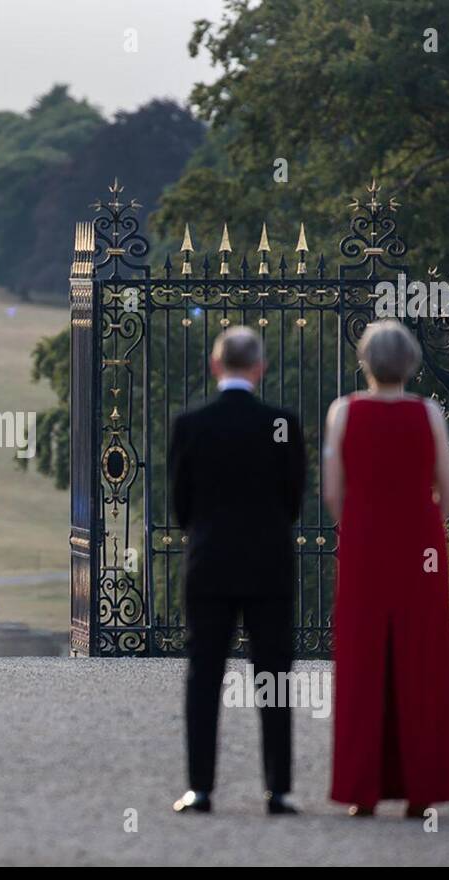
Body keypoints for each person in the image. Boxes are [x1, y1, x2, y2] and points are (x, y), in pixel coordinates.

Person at [323, 319, 449, 818]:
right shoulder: (429, 413)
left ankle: (363, 790)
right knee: (420, 661)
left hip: (364, 544)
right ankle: (422, 790)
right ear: (411, 363)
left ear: (365, 361)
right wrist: (419, 527)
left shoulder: (344, 412)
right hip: (420, 548)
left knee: (363, 663)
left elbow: (334, 493)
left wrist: (363, 527)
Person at [168, 326, 306, 815]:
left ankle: (200, 787)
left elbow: (180, 505)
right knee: (274, 677)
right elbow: (293, 500)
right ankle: (279, 788)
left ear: (214, 365)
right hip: (268, 561)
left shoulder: (191, 424)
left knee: (204, 676)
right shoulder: (282, 423)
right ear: (260, 367)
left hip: (209, 562)